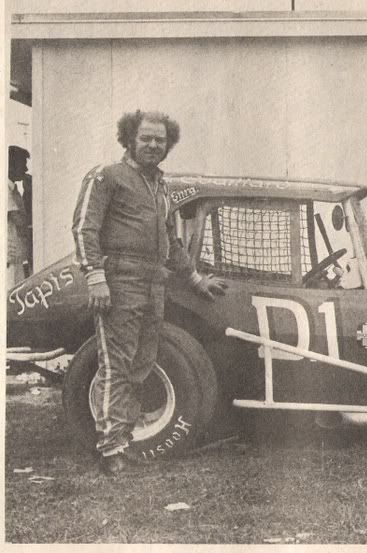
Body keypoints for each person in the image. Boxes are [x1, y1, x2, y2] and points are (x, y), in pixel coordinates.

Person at [72, 110, 227, 476]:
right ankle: (111, 450)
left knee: (141, 365)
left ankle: (125, 438)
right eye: (146, 138)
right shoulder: (106, 177)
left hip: (153, 285)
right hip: (120, 283)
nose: (153, 145)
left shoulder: (160, 187)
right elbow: (83, 229)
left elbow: (171, 243)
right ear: (129, 139)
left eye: (160, 140)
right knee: (117, 365)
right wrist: (95, 277)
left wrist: (195, 280)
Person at [7, 146, 31, 283]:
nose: (26, 170)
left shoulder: (13, 189)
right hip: (8, 259)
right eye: (23, 164)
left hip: (16, 257)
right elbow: (19, 220)